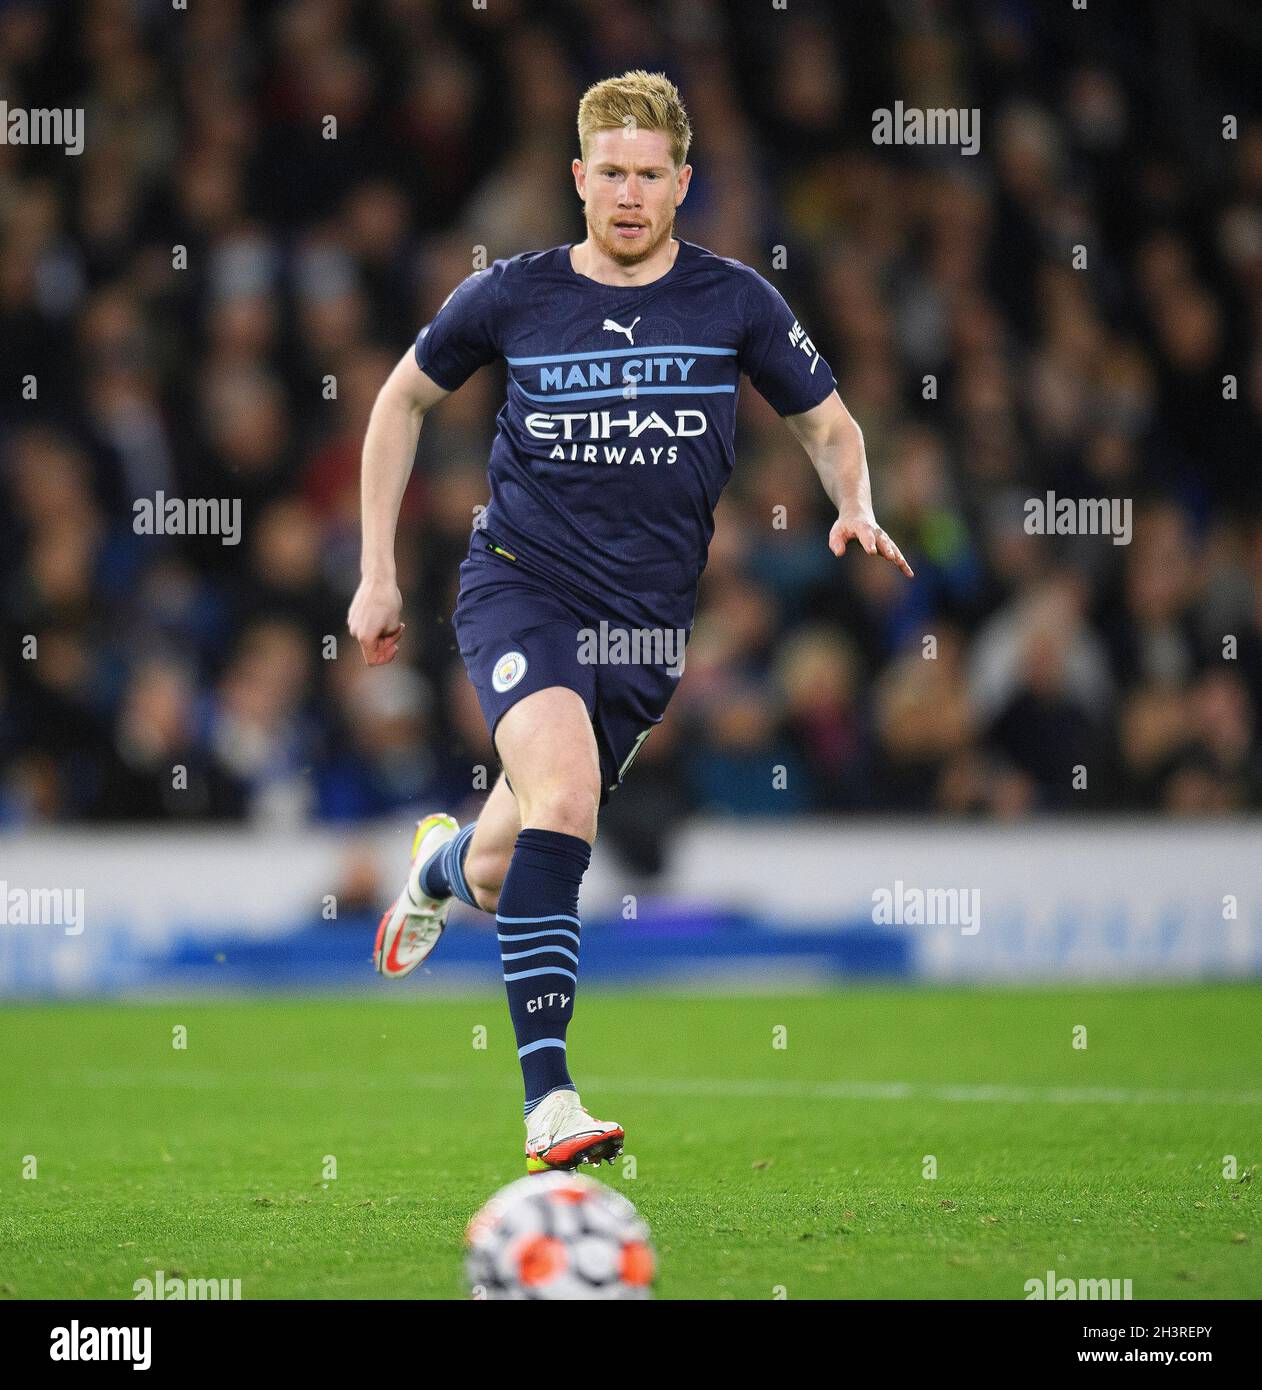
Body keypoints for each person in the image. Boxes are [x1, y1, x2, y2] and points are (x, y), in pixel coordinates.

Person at [347, 70, 913, 1174]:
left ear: (681, 184)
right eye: (607, 171)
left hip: (645, 636)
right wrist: (376, 573)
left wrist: (853, 502)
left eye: (648, 175)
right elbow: (400, 399)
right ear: (576, 177)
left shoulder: (734, 301)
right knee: (563, 796)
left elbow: (831, 423)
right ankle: (547, 1101)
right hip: (519, 585)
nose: (626, 192)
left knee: (516, 861)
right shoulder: (510, 296)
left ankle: (439, 869)